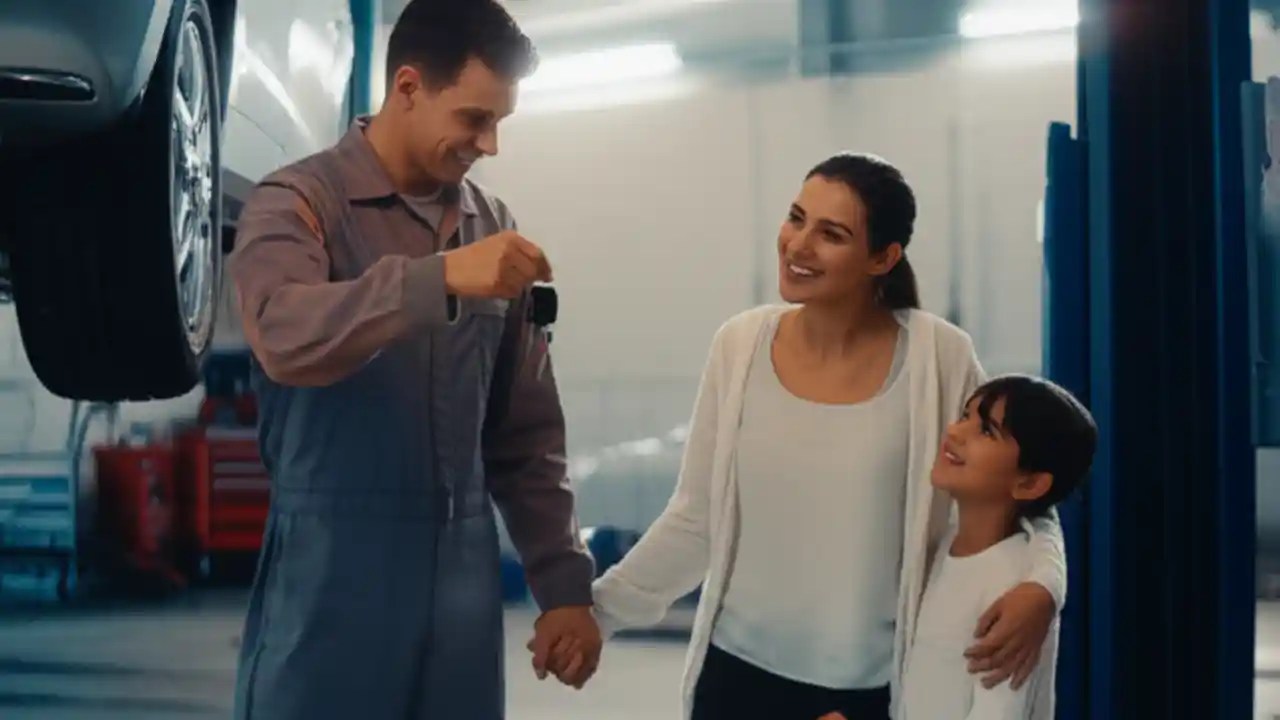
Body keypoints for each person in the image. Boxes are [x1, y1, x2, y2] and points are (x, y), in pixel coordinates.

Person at [572, 153, 1068, 720]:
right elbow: (694, 520)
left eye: (831, 234)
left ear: (883, 257)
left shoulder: (939, 357)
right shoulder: (739, 345)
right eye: (796, 218)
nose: (798, 245)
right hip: (734, 681)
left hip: (865, 693)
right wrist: (598, 613)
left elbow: (1022, 495)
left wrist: (1044, 589)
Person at [228, 2, 600, 718]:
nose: (490, 144)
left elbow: (525, 433)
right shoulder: (299, 203)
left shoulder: (493, 225)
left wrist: (563, 587)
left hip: (465, 585)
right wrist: (442, 279)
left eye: (500, 122)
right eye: (474, 119)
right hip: (331, 571)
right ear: (407, 87)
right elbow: (281, 331)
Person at [897, 374, 1096, 720]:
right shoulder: (947, 538)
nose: (954, 431)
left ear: (1030, 483)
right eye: (965, 416)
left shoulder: (1011, 587)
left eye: (986, 431)